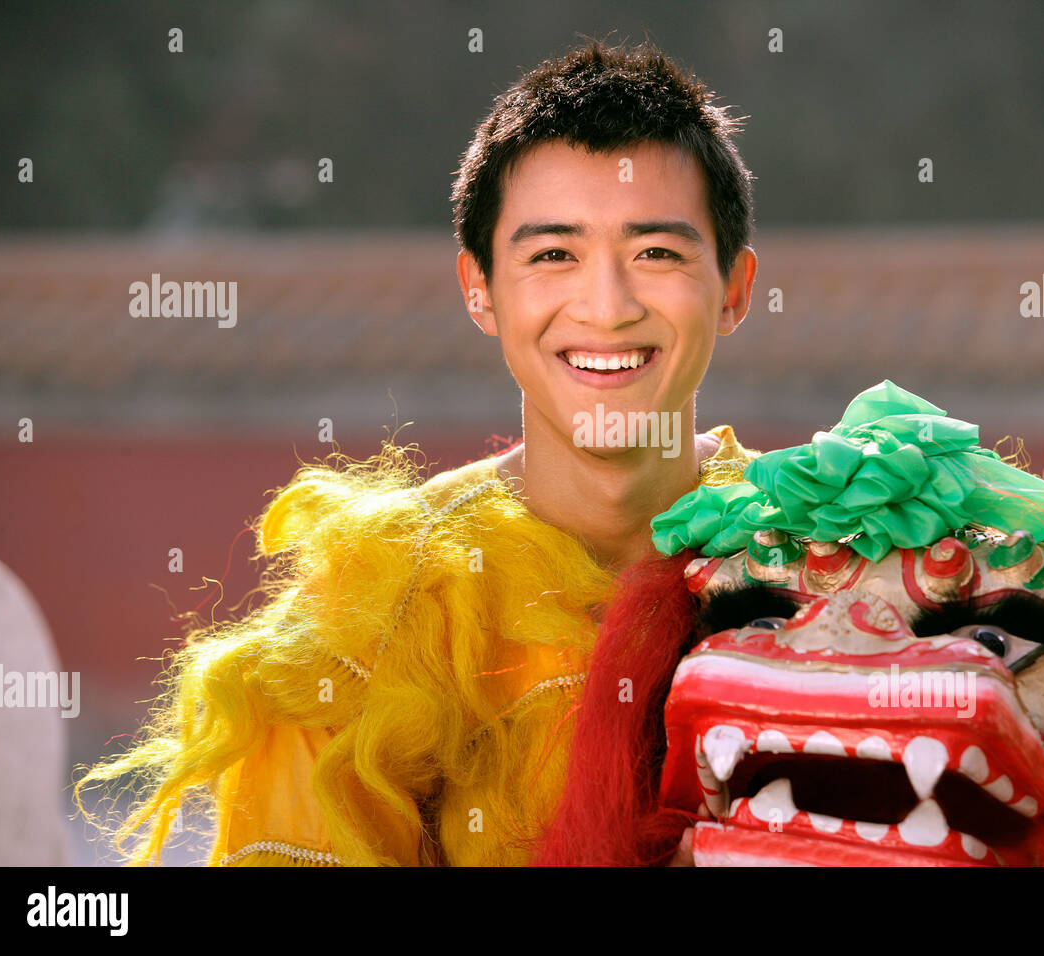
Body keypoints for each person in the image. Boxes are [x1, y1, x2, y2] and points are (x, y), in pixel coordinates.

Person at [76, 37, 761, 866]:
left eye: (656, 253)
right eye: (554, 255)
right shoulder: (374, 609)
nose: (607, 306)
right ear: (479, 291)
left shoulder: (831, 560)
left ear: (732, 290)